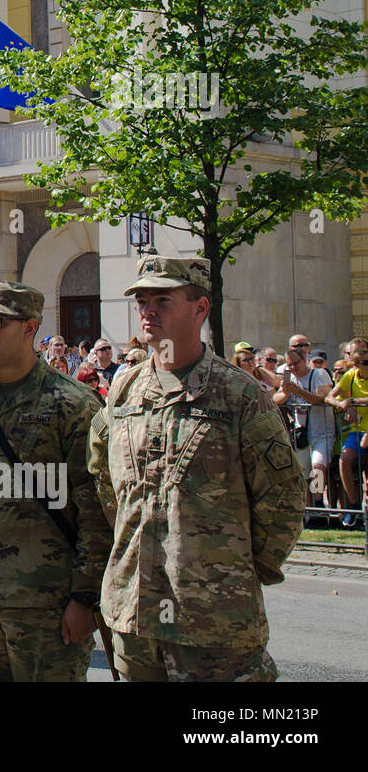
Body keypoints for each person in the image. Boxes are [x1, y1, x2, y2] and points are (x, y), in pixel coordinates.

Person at [88, 256, 305, 681]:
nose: (148, 311)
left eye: (163, 300)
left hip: (213, 624)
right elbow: (104, 479)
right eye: (142, 301)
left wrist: (231, 569)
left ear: (200, 309)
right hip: (133, 617)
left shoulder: (238, 393)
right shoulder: (125, 390)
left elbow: (283, 498)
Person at [0, 282, 110, 681]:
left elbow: (96, 513)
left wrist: (86, 597)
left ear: (30, 328)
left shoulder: (73, 404)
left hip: (48, 607)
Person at [277, 333, 333, 509]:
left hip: (322, 431)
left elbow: (321, 398)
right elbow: (276, 399)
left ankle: (318, 502)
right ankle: (309, 510)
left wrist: (298, 392)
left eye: (296, 364)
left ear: (305, 361)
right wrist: (286, 392)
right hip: (301, 433)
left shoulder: (319, 374)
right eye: (290, 364)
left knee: (318, 466)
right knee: (304, 472)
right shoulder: (289, 378)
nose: (293, 368)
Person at [325, 345, 368, 528]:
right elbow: (328, 397)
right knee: (344, 460)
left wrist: (352, 401)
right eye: (363, 362)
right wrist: (341, 404)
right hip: (357, 430)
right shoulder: (351, 376)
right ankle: (353, 506)